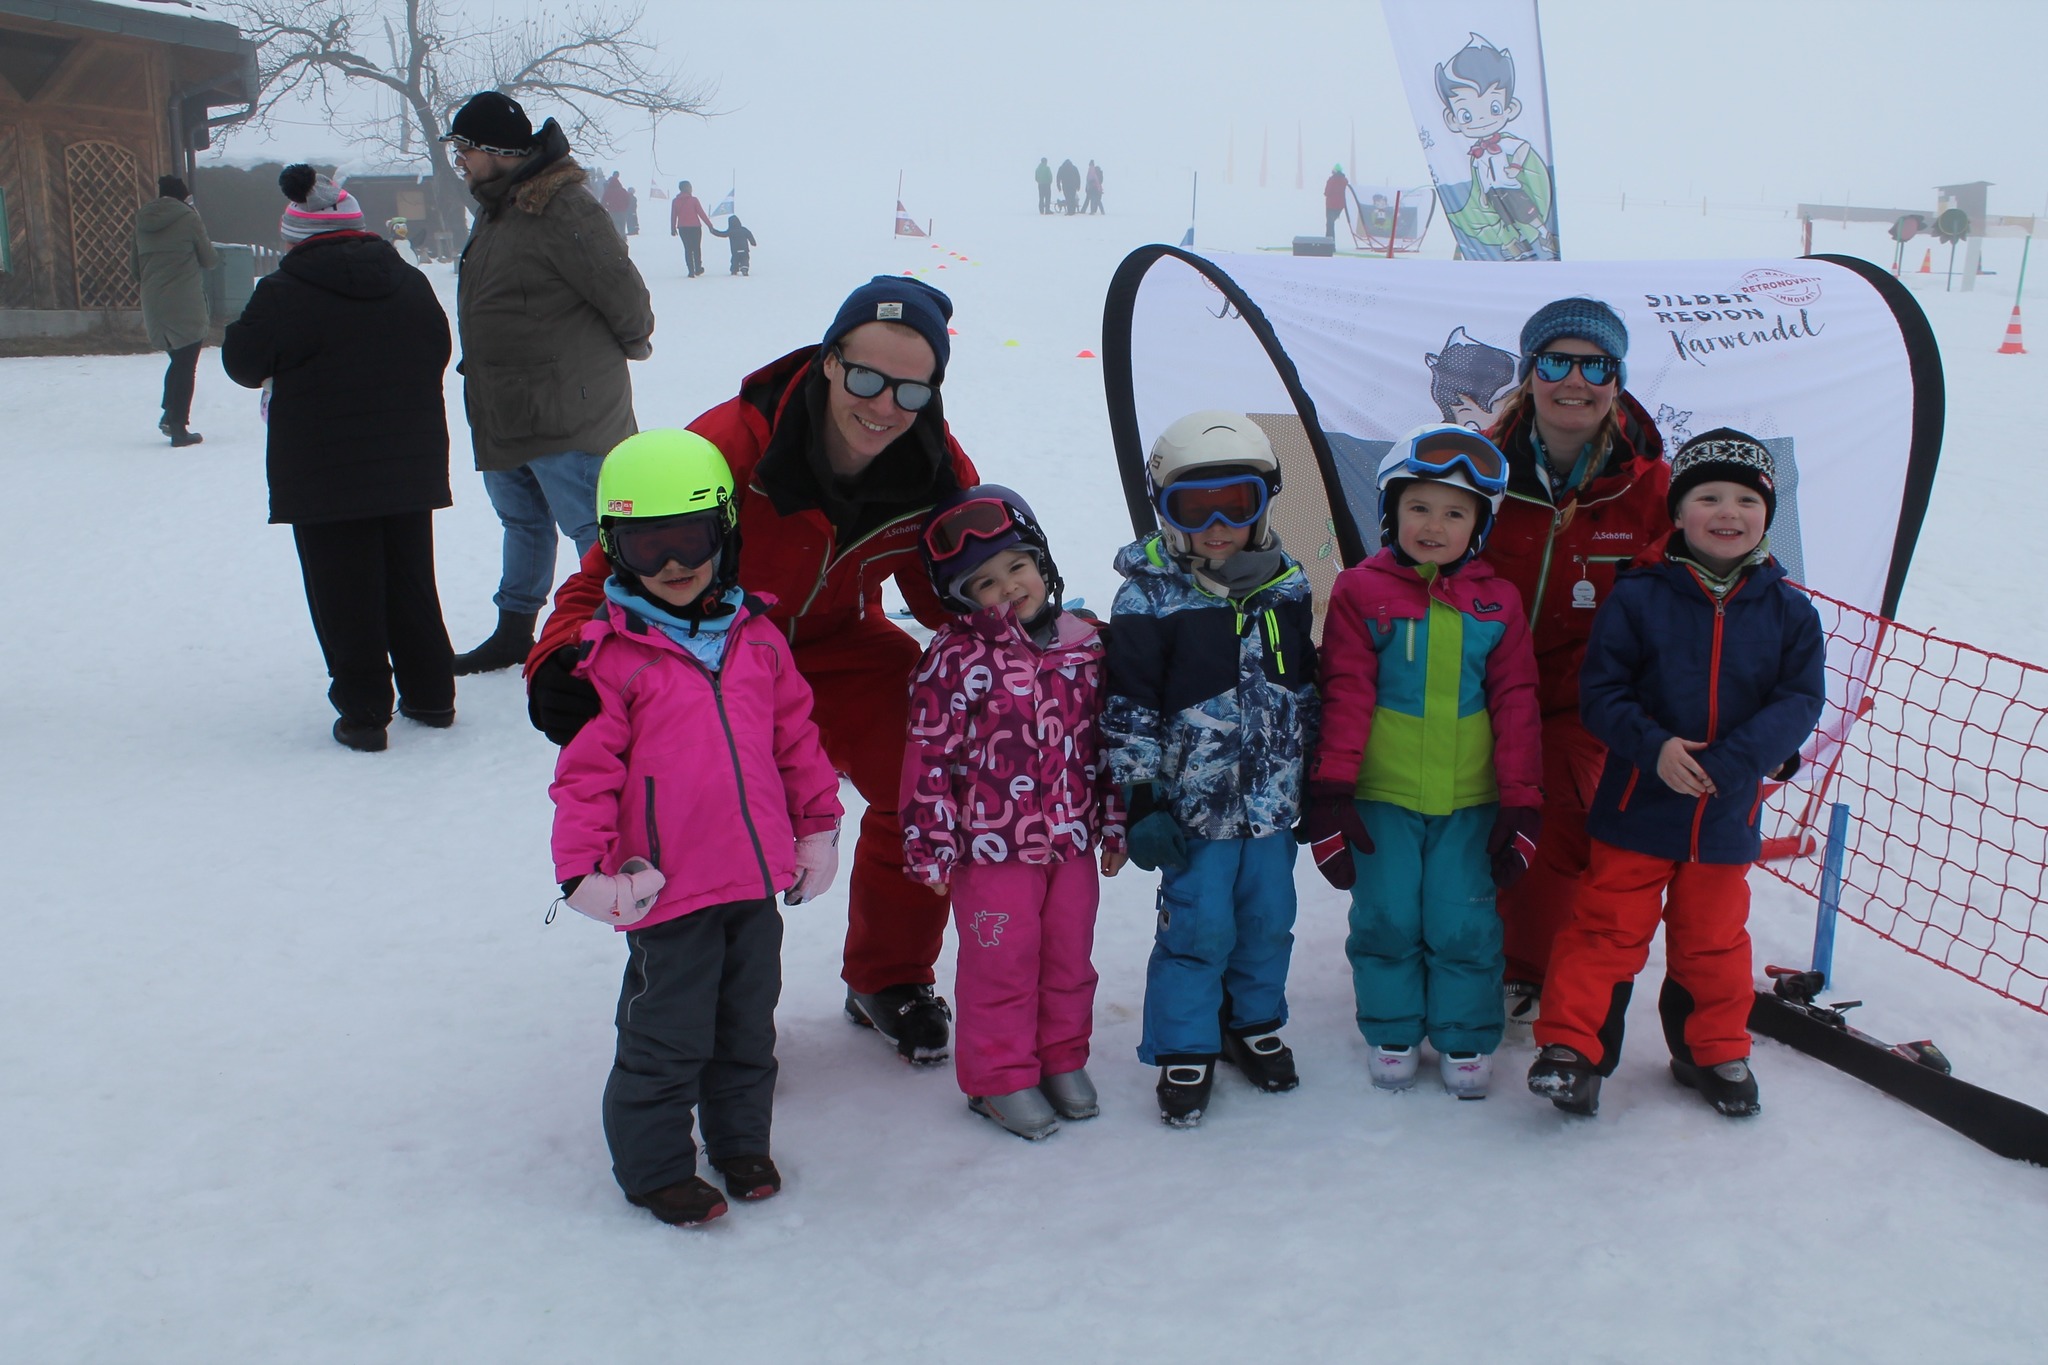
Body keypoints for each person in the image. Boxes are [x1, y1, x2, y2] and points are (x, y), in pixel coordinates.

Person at [526, 276, 978, 1066]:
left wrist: (1038, 653)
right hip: (715, 653)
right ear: (831, 361)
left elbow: (959, 588)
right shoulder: (733, 443)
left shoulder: (934, 465)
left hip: (842, 645)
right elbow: (608, 569)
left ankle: (889, 975)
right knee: (699, 818)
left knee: (929, 774)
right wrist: (557, 657)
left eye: (911, 386)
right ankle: (705, 1007)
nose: (884, 404)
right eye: (866, 376)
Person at [551, 429, 843, 1227]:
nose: (674, 563)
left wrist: (816, 823)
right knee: (667, 1036)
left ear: (726, 534)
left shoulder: (758, 638)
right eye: (649, 545)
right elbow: (584, 777)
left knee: (748, 1026)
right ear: (615, 549)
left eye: (692, 537)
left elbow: (797, 740)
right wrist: (582, 872)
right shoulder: (608, 658)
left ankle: (741, 1139)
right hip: (667, 890)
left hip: (753, 882)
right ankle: (653, 1167)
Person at [1528, 430, 1825, 1119]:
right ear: (1679, 511)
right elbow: (1604, 692)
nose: (1728, 511)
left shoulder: (1789, 611)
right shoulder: (1638, 596)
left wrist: (1736, 760)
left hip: (1725, 816)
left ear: (1766, 513)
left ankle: (1712, 1048)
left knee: (1714, 939)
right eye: (1708, 496)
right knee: (1603, 932)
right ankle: (1573, 1051)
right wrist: (1654, 745)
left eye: (1746, 498)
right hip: (1637, 806)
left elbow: (1799, 700)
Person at [1305, 426, 1541, 1099]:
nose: (1435, 525)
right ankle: (1392, 1027)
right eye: (1419, 507)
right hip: (1383, 796)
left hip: (1471, 800)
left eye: (1455, 511)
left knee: (1463, 920)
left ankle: (1465, 1036)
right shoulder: (1361, 590)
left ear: (1480, 525)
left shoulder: (1499, 603)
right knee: (1385, 917)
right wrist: (1330, 791)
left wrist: (1522, 800)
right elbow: (1345, 692)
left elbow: (1517, 702)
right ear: (1391, 513)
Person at [1104, 411, 1319, 1128]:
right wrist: (1141, 797)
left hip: (1270, 808)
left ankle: (1252, 1019)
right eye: (1195, 509)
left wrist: (1314, 775)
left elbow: (1303, 687)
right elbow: (1129, 702)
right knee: (1197, 928)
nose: (1219, 525)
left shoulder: (1287, 589)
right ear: (1164, 508)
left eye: (1240, 503)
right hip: (1193, 811)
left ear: (1265, 504)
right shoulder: (1148, 599)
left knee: (1268, 921)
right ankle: (1185, 1041)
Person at [901, 486, 1126, 1140]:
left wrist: (1115, 820)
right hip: (989, 850)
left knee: (1068, 958)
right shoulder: (954, 660)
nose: (1007, 587)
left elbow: (1106, 741)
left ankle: (1059, 1058)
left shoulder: (1086, 647)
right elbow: (928, 757)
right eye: (984, 582)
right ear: (962, 597)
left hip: (1073, 841)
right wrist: (929, 843)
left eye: (1016, 566)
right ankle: (998, 1077)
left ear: (1042, 562)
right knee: (1003, 962)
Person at [1481, 297, 1668, 1036]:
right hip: (1474, 687)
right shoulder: (1478, 468)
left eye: (1597, 366)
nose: (1576, 381)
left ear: (1618, 381)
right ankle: (1442, 948)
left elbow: (1731, 575)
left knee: (1553, 805)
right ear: (1530, 375)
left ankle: (1525, 967)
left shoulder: (1652, 487)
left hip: (1583, 703)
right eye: (1557, 362)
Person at [221, 166, 455, 753]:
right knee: (410, 578)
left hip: (324, 471)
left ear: (295, 237)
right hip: (407, 459)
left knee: (342, 590)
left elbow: (244, 364)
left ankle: (364, 713)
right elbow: (438, 347)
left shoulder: (281, 290)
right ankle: (431, 695)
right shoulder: (408, 281)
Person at [439, 91, 654, 677]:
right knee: (523, 523)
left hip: (567, 410)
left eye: (464, 149)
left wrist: (626, 346)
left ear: (493, 150)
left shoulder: (563, 208)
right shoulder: (497, 208)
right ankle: (513, 633)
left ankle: (631, 632)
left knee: (594, 531)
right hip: (504, 409)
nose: (460, 161)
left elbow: (625, 298)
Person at [132, 175, 218, 447]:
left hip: (154, 302)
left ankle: (170, 414)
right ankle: (178, 427)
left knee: (178, 360)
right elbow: (210, 259)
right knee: (186, 363)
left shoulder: (141, 221)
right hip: (184, 301)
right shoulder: (189, 218)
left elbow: (135, 270)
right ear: (184, 197)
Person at [670, 181, 714, 278]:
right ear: (688, 188)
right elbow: (701, 213)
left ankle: (691, 270)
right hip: (695, 228)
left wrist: (673, 228)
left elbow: (673, 216)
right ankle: (698, 268)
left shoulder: (675, 201)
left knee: (688, 249)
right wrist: (709, 225)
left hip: (682, 228)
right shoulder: (694, 200)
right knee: (696, 248)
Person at [600, 171, 632, 238]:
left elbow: (603, 201)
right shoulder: (623, 190)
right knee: (622, 228)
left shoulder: (608, 191)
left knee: (613, 228)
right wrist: (625, 208)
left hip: (612, 212)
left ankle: (615, 240)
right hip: (622, 212)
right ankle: (623, 240)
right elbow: (628, 200)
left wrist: (607, 207)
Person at [1323, 164, 1350, 238]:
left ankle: (1329, 241)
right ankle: (1330, 240)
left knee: (1330, 224)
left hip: (1331, 205)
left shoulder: (1331, 180)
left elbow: (1327, 192)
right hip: (1340, 205)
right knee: (1332, 222)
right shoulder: (1345, 181)